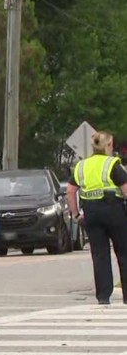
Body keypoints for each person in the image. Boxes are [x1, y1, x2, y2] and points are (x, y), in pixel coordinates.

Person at [66, 131, 127, 305]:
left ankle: (103, 296)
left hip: (92, 213)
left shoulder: (81, 166)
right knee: (124, 253)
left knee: (100, 255)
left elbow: (70, 191)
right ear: (108, 145)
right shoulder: (112, 164)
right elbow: (126, 189)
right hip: (114, 212)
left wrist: (76, 214)